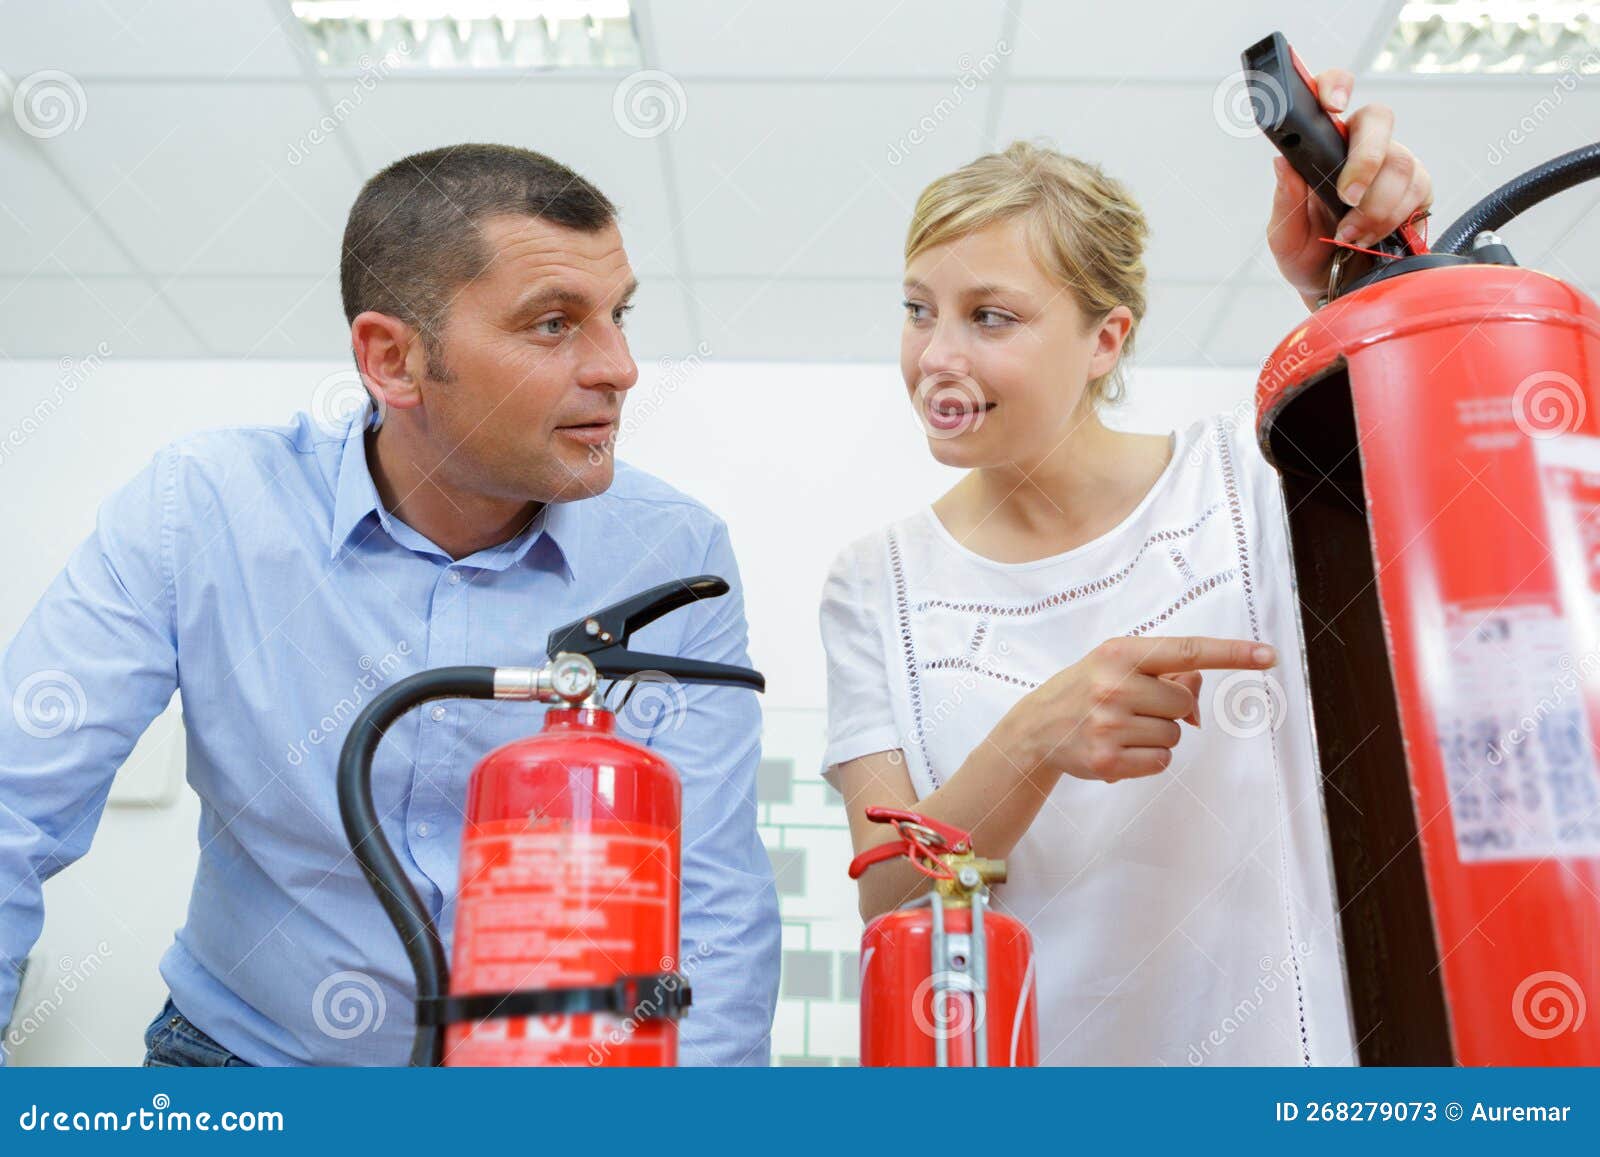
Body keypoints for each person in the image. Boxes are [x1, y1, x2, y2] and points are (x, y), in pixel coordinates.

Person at [0, 144, 780, 1067]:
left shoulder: (674, 553)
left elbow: (712, 903)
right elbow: (16, 802)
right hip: (242, 1065)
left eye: (619, 316)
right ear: (393, 359)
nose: (619, 368)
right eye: (554, 323)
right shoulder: (202, 507)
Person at [819, 72, 1431, 1064]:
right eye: (917, 308)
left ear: (1106, 339)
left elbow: (1451, 472)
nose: (935, 354)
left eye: (990, 316)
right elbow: (890, 898)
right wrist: (1032, 738)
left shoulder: (1254, 478)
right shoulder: (872, 582)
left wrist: (1348, 283)